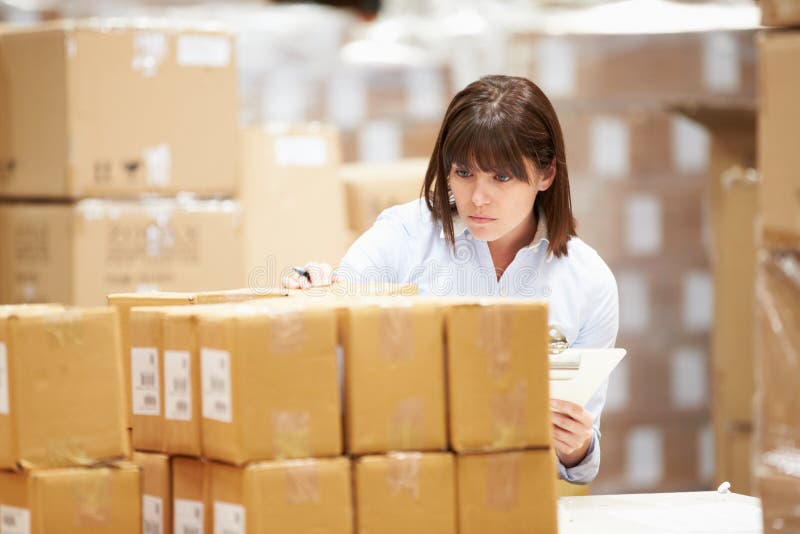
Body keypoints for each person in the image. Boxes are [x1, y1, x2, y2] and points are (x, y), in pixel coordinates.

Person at [284, 75, 619, 484]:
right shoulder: (404, 236)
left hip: (510, 499)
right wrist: (310, 285)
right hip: (404, 488)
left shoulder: (588, 281)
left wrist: (577, 446)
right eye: (464, 172)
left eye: (501, 178)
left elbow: (581, 465)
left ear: (546, 174)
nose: (478, 197)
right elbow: (337, 300)